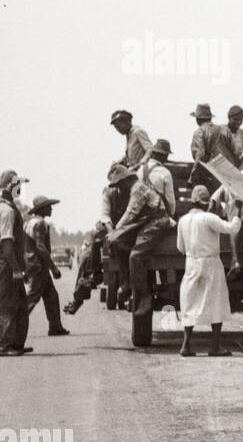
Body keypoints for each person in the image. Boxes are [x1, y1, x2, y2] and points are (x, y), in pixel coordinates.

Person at [107, 138, 178, 317]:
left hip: (153, 221)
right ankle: (131, 288)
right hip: (155, 220)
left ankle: (141, 296)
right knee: (126, 249)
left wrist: (117, 229)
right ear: (164, 157)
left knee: (135, 256)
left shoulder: (139, 177)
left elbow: (131, 212)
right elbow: (171, 203)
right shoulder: (164, 173)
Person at [176, 185, 242, 357]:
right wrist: (236, 212)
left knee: (189, 302)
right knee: (216, 302)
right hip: (211, 263)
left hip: (191, 262)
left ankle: (186, 345)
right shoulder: (209, 218)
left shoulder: (183, 220)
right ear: (207, 203)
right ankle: (215, 346)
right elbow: (231, 229)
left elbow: (180, 247)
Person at [64, 163, 137, 314]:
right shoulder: (108, 192)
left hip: (131, 230)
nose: (120, 186)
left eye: (122, 182)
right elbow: (105, 216)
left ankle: (127, 285)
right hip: (113, 230)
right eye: (117, 183)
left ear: (128, 180)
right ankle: (79, 297)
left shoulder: (135, 191)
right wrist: (112, 232)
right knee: (87, 258)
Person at [23, 195, 69, 336]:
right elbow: (41, 247)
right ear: (42, 209)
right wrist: (53, 268)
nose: (51, 209)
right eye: (48, 206)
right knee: (31, 298)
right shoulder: (40, 223)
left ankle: (55, 327)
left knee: (51, 296)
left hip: (32, 264)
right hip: (38, 266)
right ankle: (12, 328)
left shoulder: (28, 223)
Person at [0, 170, 31, 356]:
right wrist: (16, 270)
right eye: (17, 185)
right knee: (8, 305)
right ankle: (5, 345)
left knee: (20, 304)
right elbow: (7, 243)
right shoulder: (7, 211)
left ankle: (16, 343)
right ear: (9, 187)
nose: (20, 189)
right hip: (6, 264)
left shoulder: (9, 208)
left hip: (10, 264)